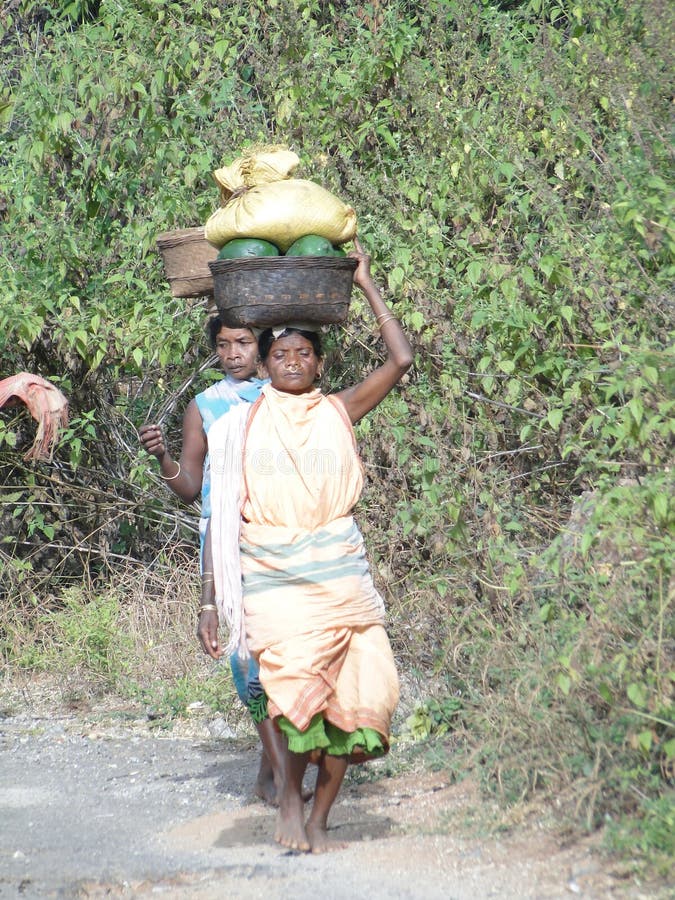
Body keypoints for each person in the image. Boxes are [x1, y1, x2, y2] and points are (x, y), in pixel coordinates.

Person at [205, 238, 413, 853]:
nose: (292, 361)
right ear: (265, 365)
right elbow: (219, 516)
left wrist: (368, 285)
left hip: (340, 576)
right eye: (282, 353)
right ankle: (290, 809)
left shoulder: (340, 410)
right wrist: (209, 600)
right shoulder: (237, 424)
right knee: (291, 696)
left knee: (356, 695)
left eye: (304, 353)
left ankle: (320, 817)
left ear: (320, 364)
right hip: (273, 577)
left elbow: (401, 359)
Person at [139, 319, 287, 805]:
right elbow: (190, 490)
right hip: (224, 549)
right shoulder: (204, 406)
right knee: (246, 666)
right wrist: (163, 458)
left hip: (280, 539)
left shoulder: (283, 394)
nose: (233, 354)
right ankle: (280, 777)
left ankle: (275, 776)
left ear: (261, 346)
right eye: (223, 345)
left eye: (243, 343)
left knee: (282, 658)